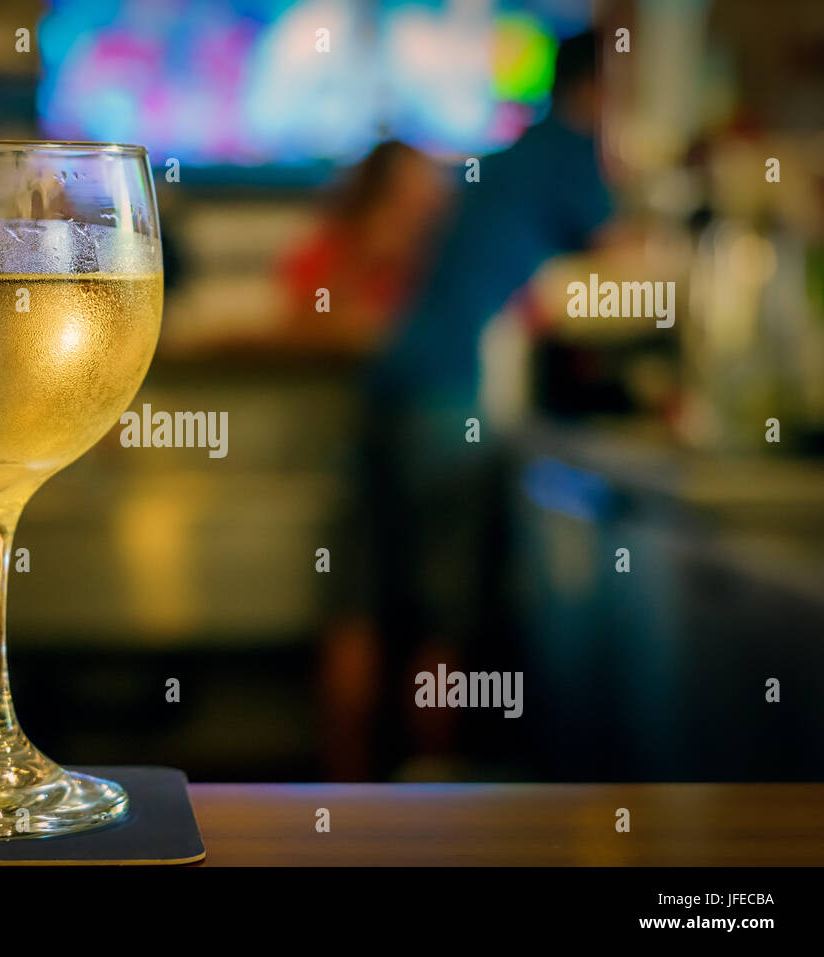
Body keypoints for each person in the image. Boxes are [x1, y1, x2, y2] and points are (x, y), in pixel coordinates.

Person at [323, 29, 616, 781]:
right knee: (443, 617)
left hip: (384, 387)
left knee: (358, 599)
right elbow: (624, 270)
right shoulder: (574, 156)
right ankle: (433, 796)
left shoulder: (503, 161)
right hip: (453, 403)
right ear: (603, 87)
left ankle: (332, 797)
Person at [278, 141, 446, 351]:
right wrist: (362, 262)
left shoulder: (444, 258)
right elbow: (304, 327)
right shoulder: (326, 250)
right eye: (400, 197)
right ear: (371, 199)